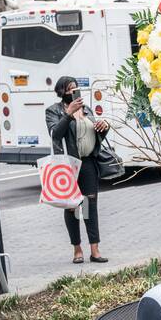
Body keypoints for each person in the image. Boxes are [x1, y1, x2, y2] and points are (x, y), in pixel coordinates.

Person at [45, 76, 110, 264]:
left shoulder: (87, 109)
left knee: (90, 206)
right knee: (72, 206)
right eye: (69, 89)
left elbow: (94, 134)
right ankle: (77, 249)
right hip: (68, 165)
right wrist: (68, 114)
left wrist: (103, 128)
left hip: (88, 163)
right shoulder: (53, 111)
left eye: (76, 88)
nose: (74, 92)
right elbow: (55, 134)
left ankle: (95, 250)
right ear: (61, 92)